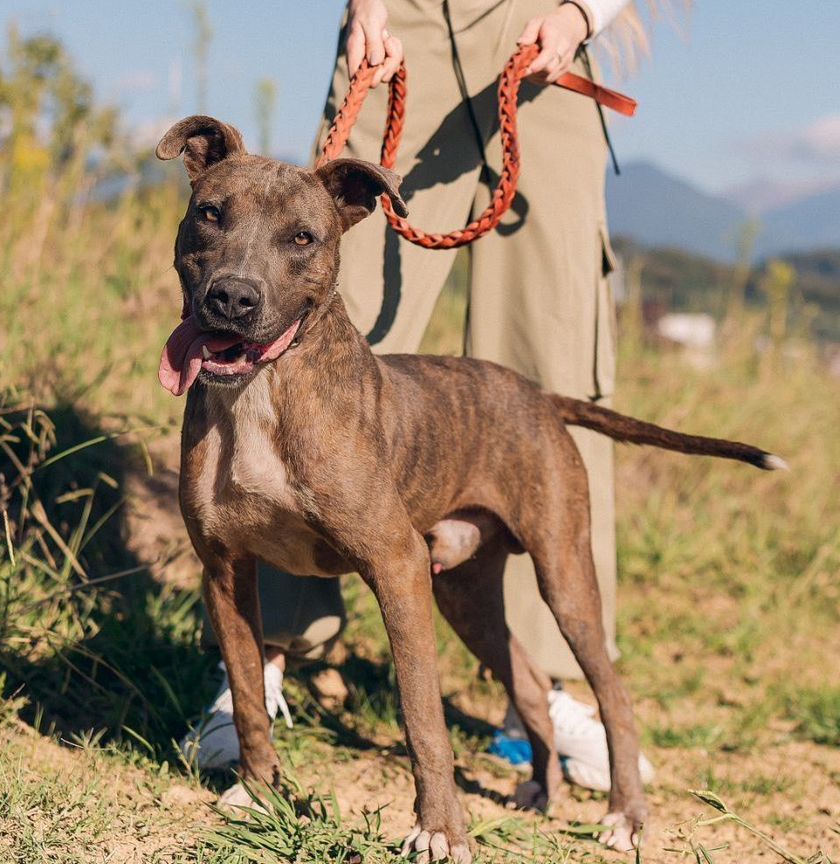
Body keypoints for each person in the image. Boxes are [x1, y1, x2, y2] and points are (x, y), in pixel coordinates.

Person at [182, 0, 654, 792]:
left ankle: (542, 692)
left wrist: (587, 11)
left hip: (551, 31)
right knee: (324, 302)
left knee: (543, 355)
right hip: (407, 23)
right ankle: (262, 668)